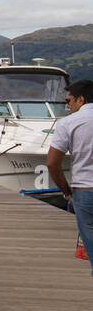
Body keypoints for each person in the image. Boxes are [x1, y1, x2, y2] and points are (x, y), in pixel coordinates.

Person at [48, 79, 93, 276]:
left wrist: (66, 193)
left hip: (85, 193)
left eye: (69, 101)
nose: (67, 106)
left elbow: (52, 163)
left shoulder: (69, 122)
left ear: (80, 100)